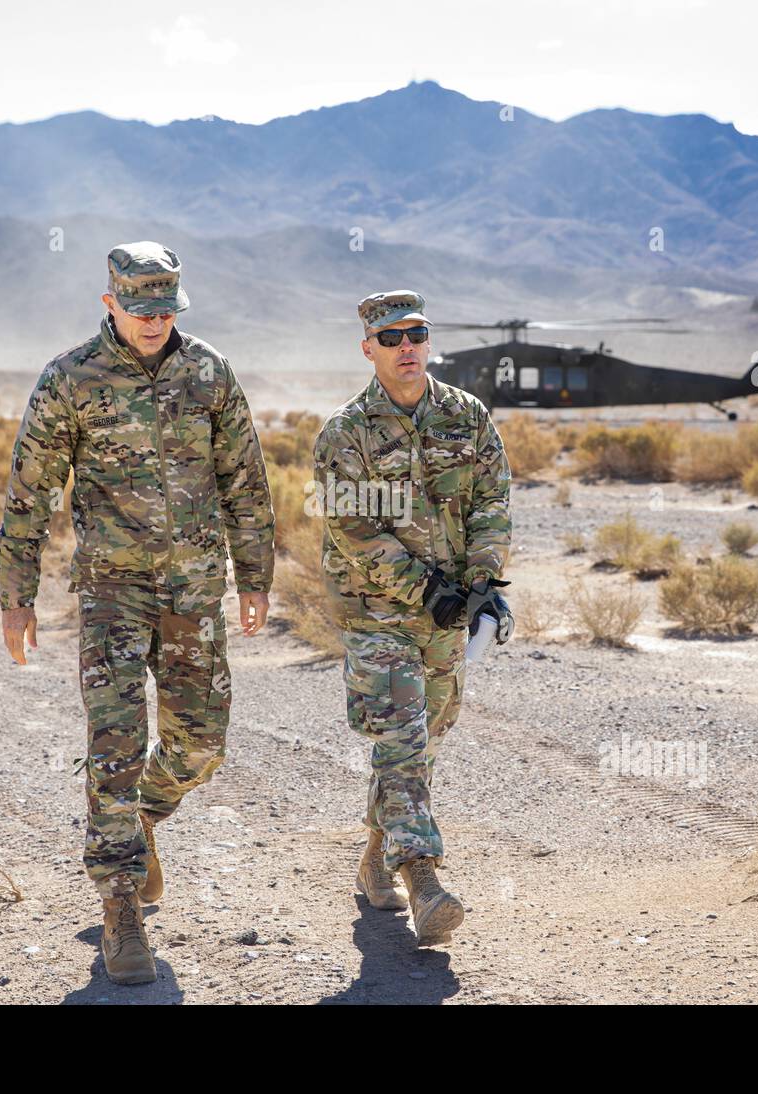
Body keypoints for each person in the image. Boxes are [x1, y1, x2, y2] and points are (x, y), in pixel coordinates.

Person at [0, 241, 274, 984]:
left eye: (166, 308)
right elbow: (30, 491)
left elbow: (244, 480)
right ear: (110, 303)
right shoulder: (71, 379)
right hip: (112, 595)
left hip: (194, 593)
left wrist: (255, 576)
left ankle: (143, 821)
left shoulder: (209, 371)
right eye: (141, 307)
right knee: (115, 747)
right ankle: (121, 906)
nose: (155, 321)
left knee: (202, 744)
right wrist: (15, 596)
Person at [312, 289, 511, 946]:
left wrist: (482, 585)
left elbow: (490, 503)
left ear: (429, 339)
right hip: (377, 613)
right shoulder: (345, 434)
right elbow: (353, 530)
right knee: (400, 736)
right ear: (367, 347)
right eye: (391, 338)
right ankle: (422, 879)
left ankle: (375, 857)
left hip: (447, 616)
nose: (406, 348)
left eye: (416, 334)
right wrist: (426, 590)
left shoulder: (467, 416)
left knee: (423, 741)